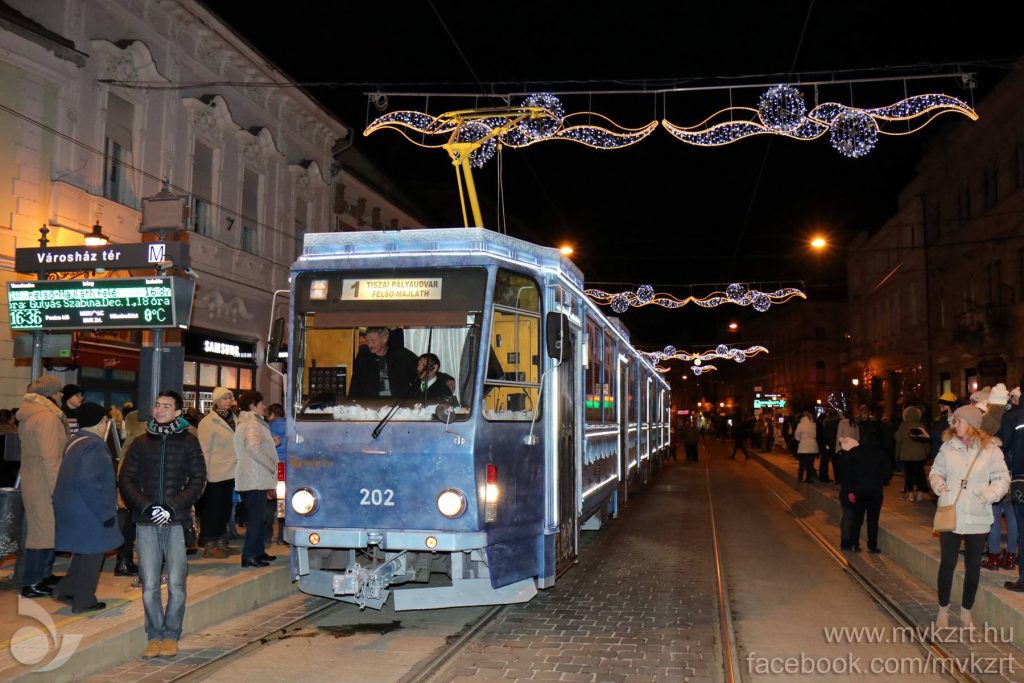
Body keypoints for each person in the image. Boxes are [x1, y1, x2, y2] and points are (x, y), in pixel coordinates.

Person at [119, 390, 207, 658]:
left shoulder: (189, 442)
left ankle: (171, 634)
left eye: (166, 406)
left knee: (177, 583)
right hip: (146, 522)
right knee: (149, 584)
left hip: (176, 521)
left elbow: (198, 479)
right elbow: (126, 480)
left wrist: (171, 507)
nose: (159, 410)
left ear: (178, 412)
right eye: (157, 405)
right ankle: (154, 635)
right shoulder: (140, 443)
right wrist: (147, 506)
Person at [929, 405, 1009, 628]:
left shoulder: (991, 449)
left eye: (959, 421)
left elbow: (1002, 478)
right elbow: (935, 471)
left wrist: (987, 495)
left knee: (973, 565)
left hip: (978, 515)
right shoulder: (948, 447)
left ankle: (966, 612)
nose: (955, 425)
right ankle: (943, 609)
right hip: (951, 512)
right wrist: (940, 486)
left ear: (972, 424)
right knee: (948, 563)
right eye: (954, 422)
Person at [52, 403, 122, 613]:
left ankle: (65, 589)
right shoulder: (94, 445)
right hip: (89, 509)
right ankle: (84, 600)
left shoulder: (75, 441)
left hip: (72, 506)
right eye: (106, 420)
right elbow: (89, 481)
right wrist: (106, 512)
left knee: (83, 552)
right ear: (101, 422)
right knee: (94, 553)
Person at [18, 375, 69, 598]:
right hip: (44, 482)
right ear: (49, 394)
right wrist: (58, 489)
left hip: (33, 478)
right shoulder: (47, 418)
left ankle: (43, 576)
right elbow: (51, 458)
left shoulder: (30, 415)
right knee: (42, 533)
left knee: (44, 530)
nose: (60, 397)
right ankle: (33, 582)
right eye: (58, 393)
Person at [233, 391, 278, 568]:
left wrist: (271, 443)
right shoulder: (252, 423)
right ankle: (249, 555)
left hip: (254, 476)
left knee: (259, 517)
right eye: (261, 404)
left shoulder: (251, 422)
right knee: (255, 518)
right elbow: (253, 448)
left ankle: (258, 552)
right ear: (253, 406)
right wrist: (270, 464)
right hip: (254, 477)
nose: (264, 407)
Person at [197, 387, 238, 559]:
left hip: (230, 472)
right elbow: (204, 450)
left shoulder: (233, 419)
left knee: (224, 509)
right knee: (212, 510)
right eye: (225, 398)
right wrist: (203, 473)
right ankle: (210, 544)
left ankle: (221, 541)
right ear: (216, 401)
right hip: (214, 474)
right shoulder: (208, 422)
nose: (228, 401)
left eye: (230, 398)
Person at [841, 436, 893, 553]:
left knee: (857, 519)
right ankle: (872, 545)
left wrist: (849, 491)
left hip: (858, 491)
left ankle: (854, 543)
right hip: (875, 491)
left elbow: (847, 473)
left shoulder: (854, 453)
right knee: (873, 520)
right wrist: (881, 480)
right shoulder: (881, 454)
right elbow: (888, 473)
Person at [348, 327, 419, 398]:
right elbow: (355, 384)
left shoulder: (403, 355)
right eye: (367, 341)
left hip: (398, 405)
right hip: (370, 405)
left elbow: (418, 379)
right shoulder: (363, 357)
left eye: (372, 341)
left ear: (384, 339)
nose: (369, 345)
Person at [894, 406, 930, 501]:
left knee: (908, 474)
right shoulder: (921, 425)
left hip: (906, 455)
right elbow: (925, 441)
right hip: (919, 454)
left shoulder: (903, 426)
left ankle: (910, 494)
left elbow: (899, 441)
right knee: (920, 474)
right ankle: (920, 494)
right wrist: (927, 452)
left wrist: (897, 454)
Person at [929, 391, 959, 460]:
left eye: (943, 407)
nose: (941, 409)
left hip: (951, 455)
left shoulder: (959, 419)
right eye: (940, 407)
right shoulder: (940, 419)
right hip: (939, 454)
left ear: (951, 406)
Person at [794, 410, 818, 483]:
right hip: (813, 446)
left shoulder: (800, 425)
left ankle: (800, 478)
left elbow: (796, 435)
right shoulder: (813, 425)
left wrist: (800, 439)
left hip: (803, 447)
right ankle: (810, 478)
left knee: (802, 464)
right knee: (810, 463)